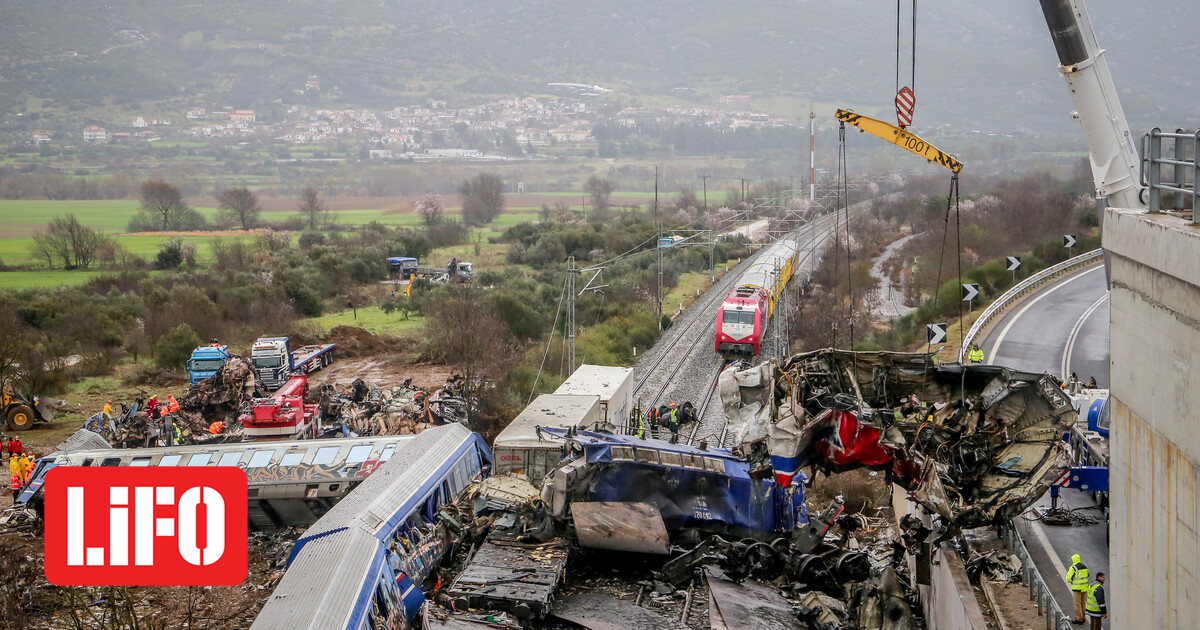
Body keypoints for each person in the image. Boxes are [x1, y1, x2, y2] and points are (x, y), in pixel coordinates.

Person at [1065, 553, 1090, 623]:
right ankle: (1083, 617)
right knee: (1083, 603)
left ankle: (1079, 618)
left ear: (1073, 560)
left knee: (1077, 604)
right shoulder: (1085, 566)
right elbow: (1088, 574)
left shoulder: (1073, 568)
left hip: (1077, 588)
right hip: (1085, 588)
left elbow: (1069, 578)